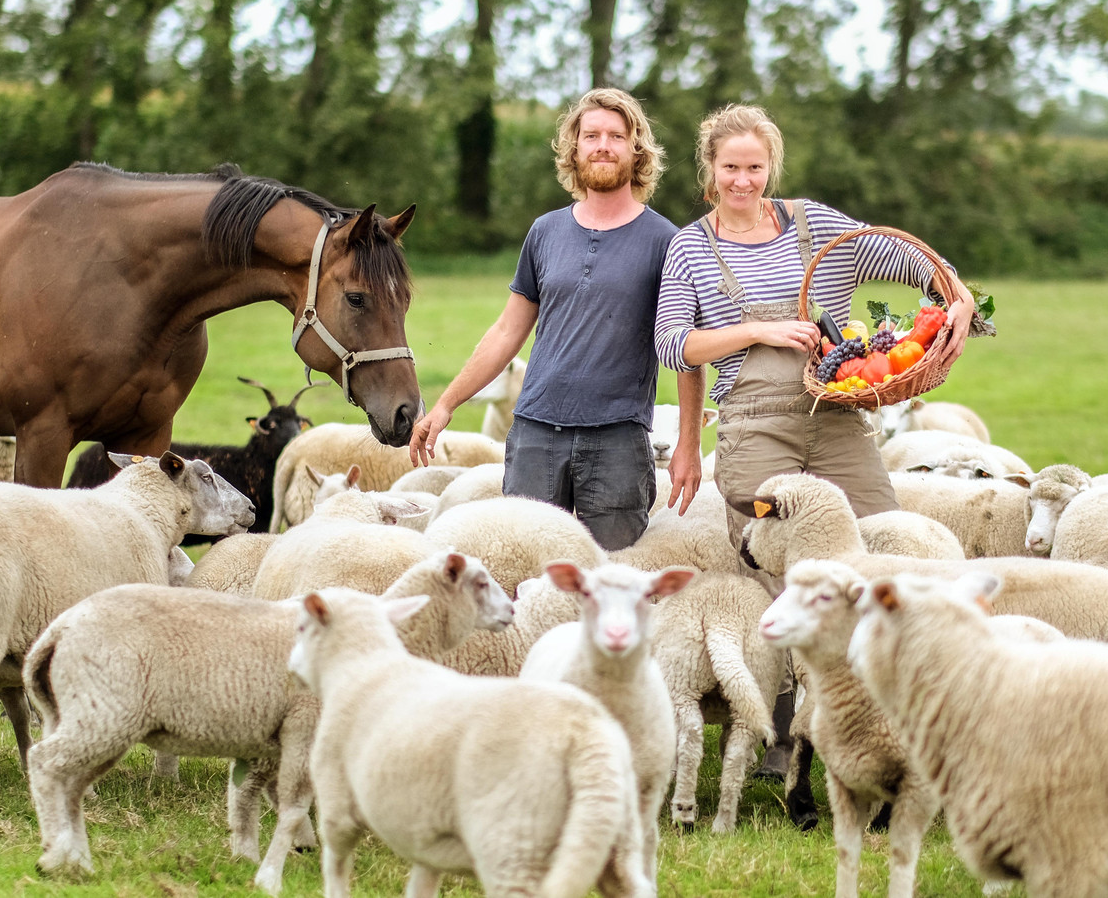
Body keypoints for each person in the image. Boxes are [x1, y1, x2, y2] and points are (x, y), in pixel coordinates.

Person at [654, 102, 974, 784]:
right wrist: (757, 332)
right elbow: (674, 343)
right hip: (753, 418)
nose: (743, 180)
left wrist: (960, 295)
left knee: (879, 541)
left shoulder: (815, 224)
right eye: (730, 167)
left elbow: (909, 258)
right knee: (780, 569)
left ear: (771, 166)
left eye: (755, 167)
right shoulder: (690, 245)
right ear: (709, 171)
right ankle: (780, 730)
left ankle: (887, 718)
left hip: (836, 413)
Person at [407, 87, 706, 552]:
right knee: (521, 568)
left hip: (618, 441)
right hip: (534, 435)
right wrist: (446, 404)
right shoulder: (544, 231)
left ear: (636, 149)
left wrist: (688, 443)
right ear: (575, 149)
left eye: (616, 135)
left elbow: (687, 348)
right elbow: (508, 330)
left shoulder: (667, 241)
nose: (603, 144)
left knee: (612, 579)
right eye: (591, 135)